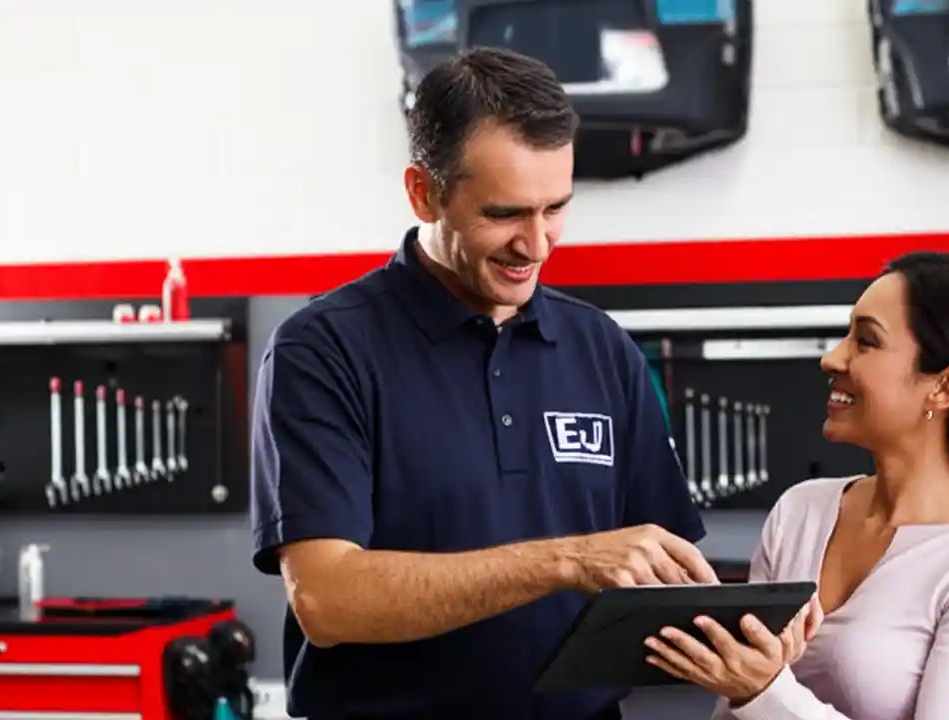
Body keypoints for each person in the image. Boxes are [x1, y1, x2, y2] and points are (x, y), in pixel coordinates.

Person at [248, 46, 715, 720]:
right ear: (424, 192)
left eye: (555, 207)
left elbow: (661, 572)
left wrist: (760, 624)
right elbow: (329, 599)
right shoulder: (322, 352)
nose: (538, 243)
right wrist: (562, 561)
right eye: (504, 214)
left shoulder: (600, 347)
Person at [642, 252, 949, 719]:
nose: (832, 358)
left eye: (866, 341)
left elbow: (756, 698)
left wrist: (766, 691)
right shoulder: (800, 512)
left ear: (946, 387)